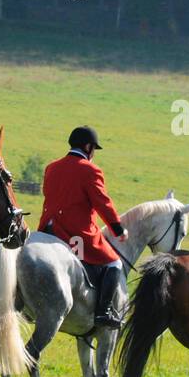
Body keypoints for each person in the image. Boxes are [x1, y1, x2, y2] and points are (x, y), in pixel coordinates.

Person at [38, 126, 128, 330]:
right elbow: (102, 202)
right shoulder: (90, 170)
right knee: (114, 263)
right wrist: (118, 229)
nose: (93, 153)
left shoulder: (52, 167)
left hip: (48, 230)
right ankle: (103, 313)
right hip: (74, 234)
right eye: (94, 149)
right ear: (88, 147)